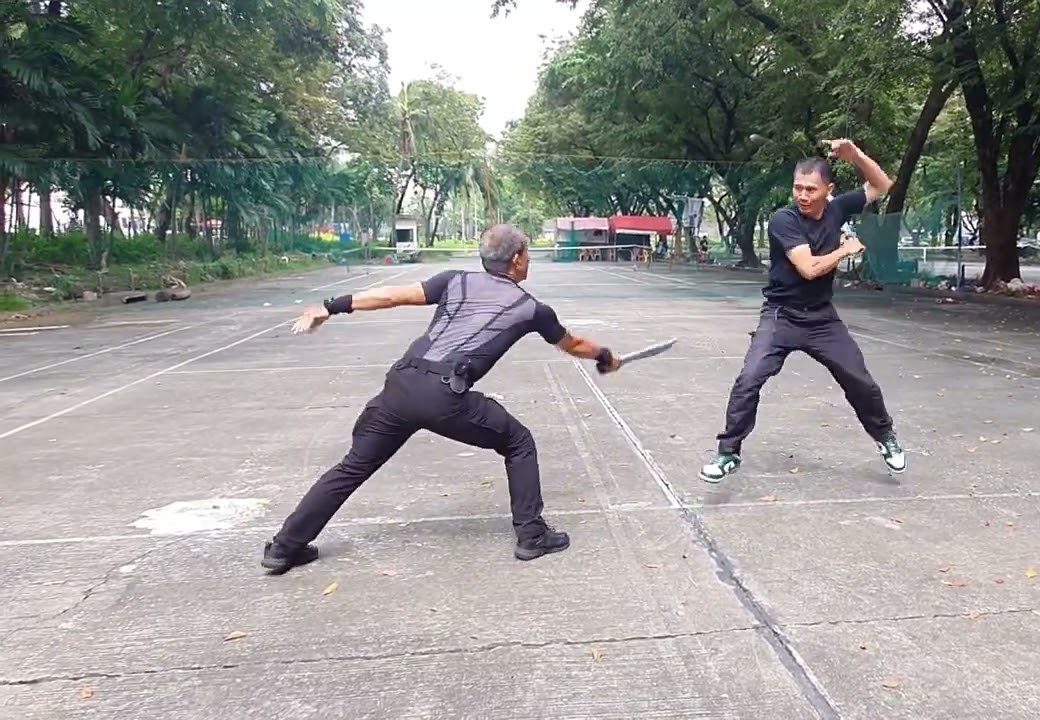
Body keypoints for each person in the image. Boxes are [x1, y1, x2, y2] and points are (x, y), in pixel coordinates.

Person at [261, 224, 622, 575]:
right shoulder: (532, 309)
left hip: (400, 385)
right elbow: (573, 344)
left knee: (353, 466)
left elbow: (392, 296)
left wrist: (331, 306)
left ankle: (284, 548)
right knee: (518, 442)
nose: (527, 260)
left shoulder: (454, 280)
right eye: (526, 253)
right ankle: (532, 535)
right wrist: (605, 356)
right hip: (444, 394)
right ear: (516, 258)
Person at [699, 139, 905, 483]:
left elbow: (882, 185)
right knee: (749, 379)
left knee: (859, 379)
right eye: (798, 188)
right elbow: (809, 269)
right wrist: (844, 251)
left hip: (822, 319)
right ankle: (727, 453)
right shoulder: (784, 220)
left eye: (811, 189)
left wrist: (855, 155)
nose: (803, 195)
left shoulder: (838, 209)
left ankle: (885, 437)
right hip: (781, 316)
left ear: (829, 191)